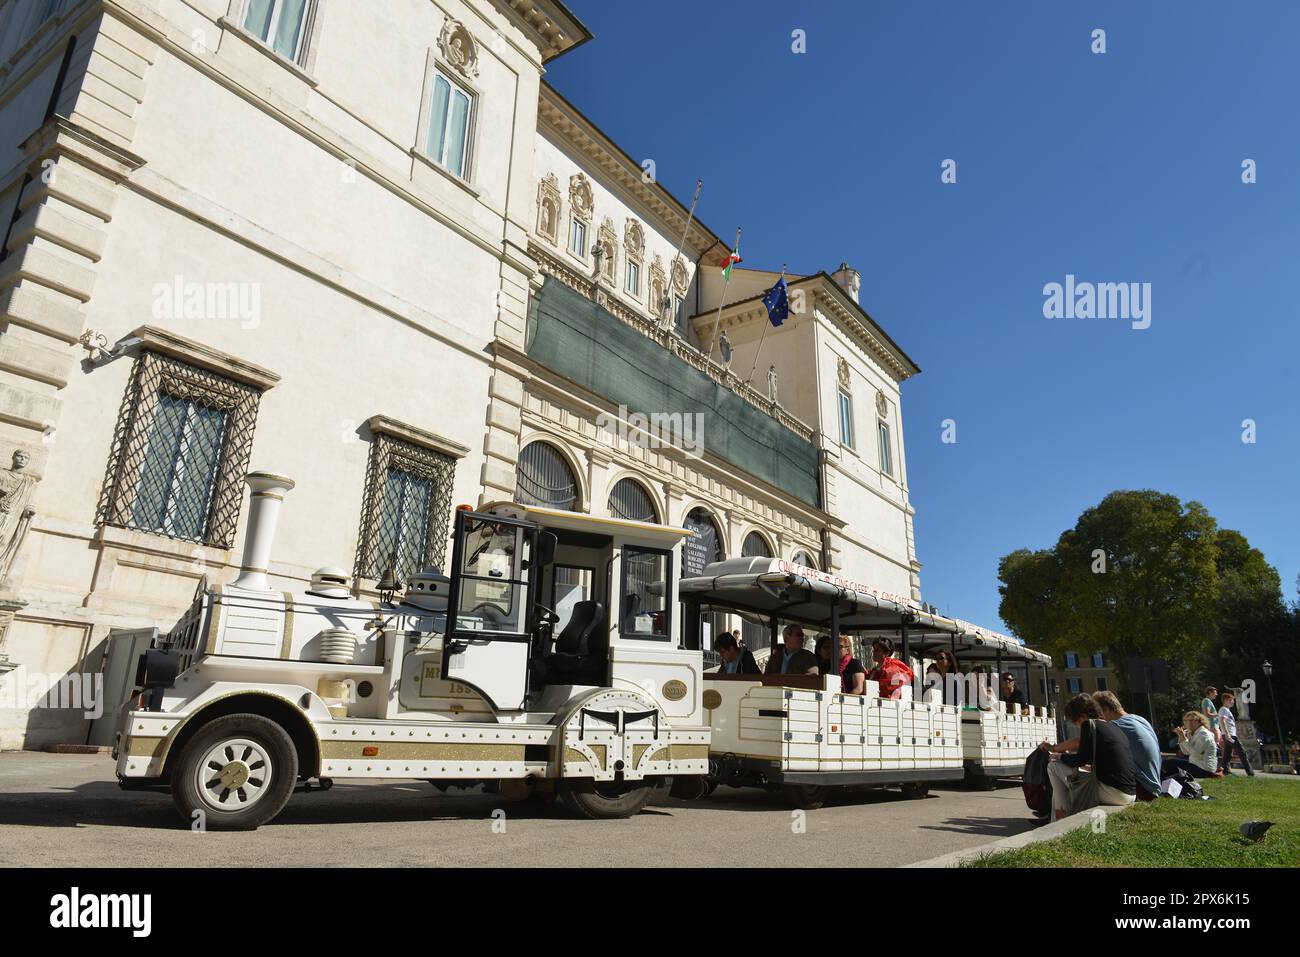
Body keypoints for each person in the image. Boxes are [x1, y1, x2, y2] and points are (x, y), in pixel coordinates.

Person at [1038, 693, 1136, 820]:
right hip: (1130, 792)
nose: (1078, 727)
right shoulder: (1112, 726)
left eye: (1076, 723)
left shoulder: (1088, 724)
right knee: (1066, 780)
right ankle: (1057, 817)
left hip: (1115, 793)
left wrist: (1059, 756)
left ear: (1083, 717)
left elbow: (1079, 760)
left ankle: (1060, 818)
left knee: (1053, 767)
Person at [1094, 691, 1161, 802]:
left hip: (1142, 790)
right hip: (1154, 787)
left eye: (1098, 714)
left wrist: (1056, 748)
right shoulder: (1140, 719)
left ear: (1105, 709)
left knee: (1084, 782)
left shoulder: (1115, 726)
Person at [1162, 711, 1220, 779]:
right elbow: (1185, 752)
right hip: (1197, 765)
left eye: (1192, 720)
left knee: (1169, 762)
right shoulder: (1194, 733)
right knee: (1170, 765)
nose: (1189, 723)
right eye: (1186, 720)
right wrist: (1181, 737)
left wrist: (1184, 739)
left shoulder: (1203, 734)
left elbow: (1195, 754)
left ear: (1200, 721)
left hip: (1204, 769)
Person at [1217, 690, 1255, 776]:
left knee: (1227, 755)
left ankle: (1225, 771)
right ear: (1226, 700)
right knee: (1242, 753)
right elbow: (1222, 721)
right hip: (1230, 735)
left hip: (1228, 735)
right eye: (1231, 700)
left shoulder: (1226, 710)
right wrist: (1227, 734)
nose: (1233, 702)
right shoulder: (1224, 709)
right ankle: (1250, 772)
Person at [1201, 686, 1222, 751]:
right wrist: (1218, 714)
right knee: (1215, 745)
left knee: (1216, 745)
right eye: (1215, 692)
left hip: (1213, 726)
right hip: (1212, 727)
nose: (1216, 694)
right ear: (1210, 692)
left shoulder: (1208, 701)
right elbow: (1206, 714)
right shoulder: (1206, 701)